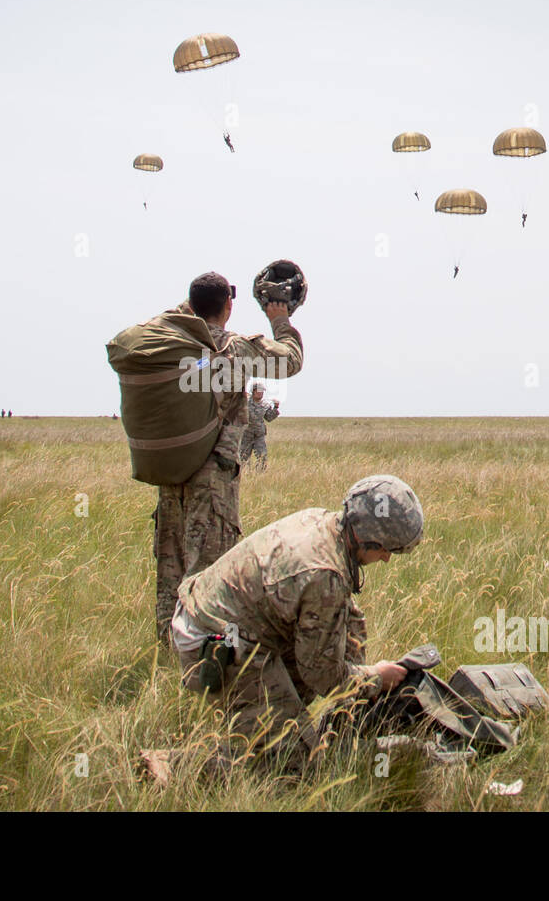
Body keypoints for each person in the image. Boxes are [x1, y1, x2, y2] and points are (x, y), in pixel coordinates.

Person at [171, 475, 423, 767]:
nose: (386, 559)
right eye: (384, 549)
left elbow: (344, 623)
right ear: (367, 538)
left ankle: (266, 723)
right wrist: (376, 677)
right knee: (293, 763)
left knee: (295, 716)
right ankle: (177, 767)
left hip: (222, 624)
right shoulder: (324, 574)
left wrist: (358, 684)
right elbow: (323, 675)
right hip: (218, 643)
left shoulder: (324, 523)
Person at [151, 271, 304, 641]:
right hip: (212, 480)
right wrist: (280, 319)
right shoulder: (232, 350)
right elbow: (290, 361)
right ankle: (202, 657)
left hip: (171, 473)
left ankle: (167, 648)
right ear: (229, 307)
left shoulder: (170, 343)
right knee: (208, 573)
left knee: (169, 568)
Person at [239, 383, 279, 470]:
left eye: (262, 391)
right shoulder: (244, 402)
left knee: (262, 456)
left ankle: (260, 475)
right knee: (243, 457)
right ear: (253, 391)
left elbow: (269, 418)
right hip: (246, 435)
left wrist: (276, 407)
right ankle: (243, 475)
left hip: (259, 436)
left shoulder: (265, 405)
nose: (261, 393)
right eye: (259, 391)